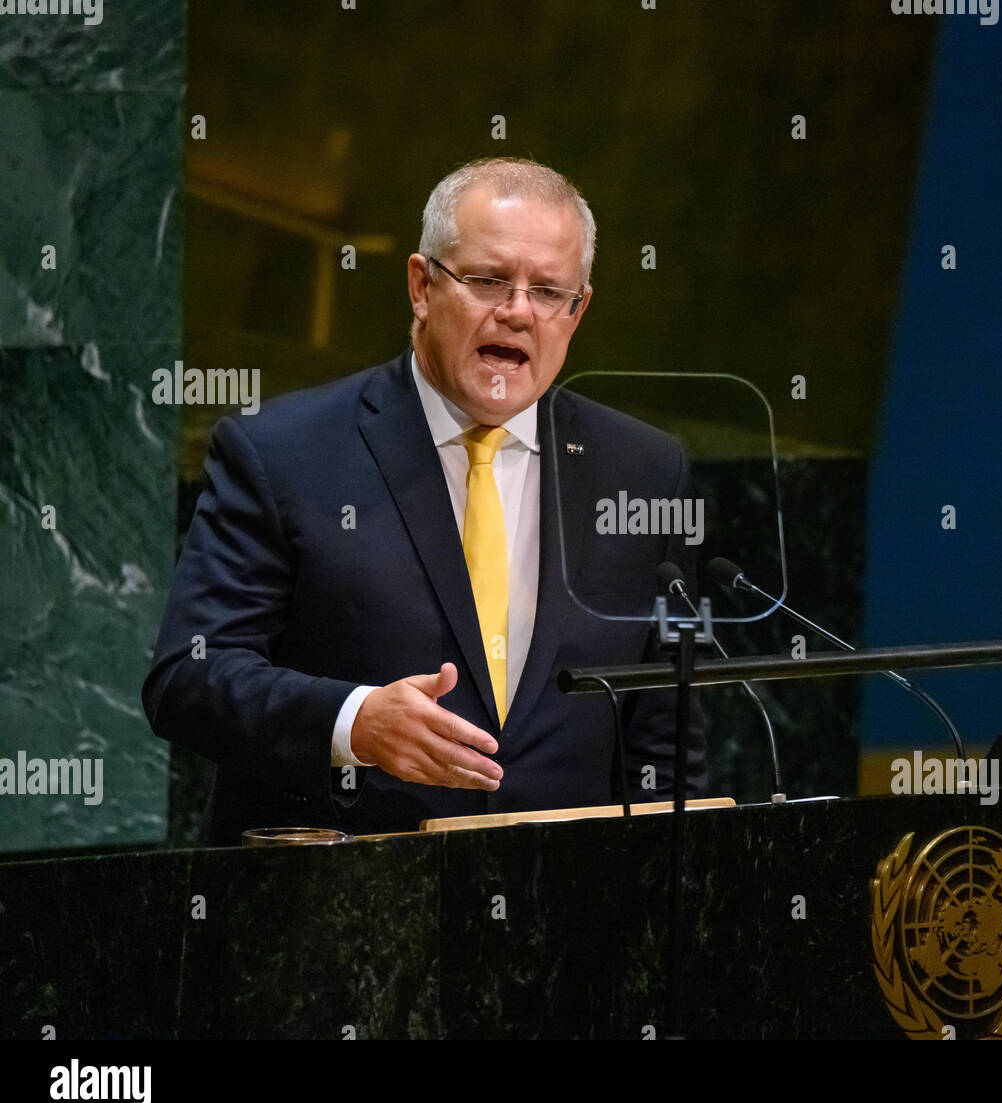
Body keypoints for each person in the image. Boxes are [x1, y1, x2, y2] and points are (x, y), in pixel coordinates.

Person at [143, 157, 707, 844]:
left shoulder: (642, 471)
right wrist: (354, 722)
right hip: (336, 914)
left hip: (560, 923)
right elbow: (188, 676)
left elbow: (665, 738)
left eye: (549, 290)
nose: (518, 311)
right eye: (488, 279)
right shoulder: (283, 453)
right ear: (421, 285)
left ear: (578, 309)